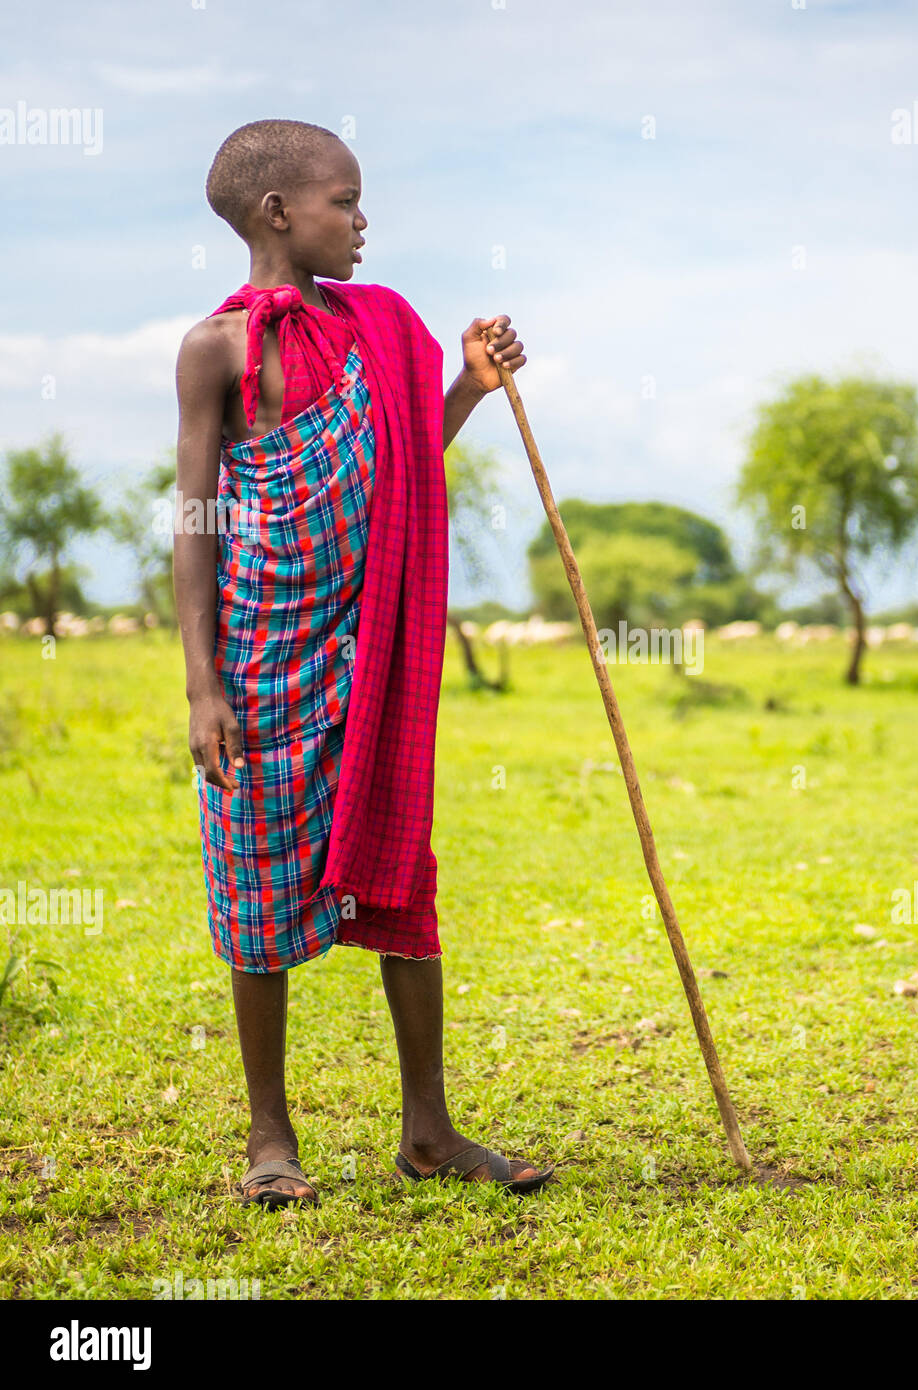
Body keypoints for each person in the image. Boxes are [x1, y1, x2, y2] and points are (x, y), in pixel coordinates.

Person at [173, 118, 553, 1206]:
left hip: (370, 650)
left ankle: (428, 1129)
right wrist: (202, 680)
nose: (362, 220)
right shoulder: (217, 349)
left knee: (404, 875)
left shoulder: (379, 327)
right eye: (344, 200)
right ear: (277, 213)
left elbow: (397, 467)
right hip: (260, 657)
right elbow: (194, 515)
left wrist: (471, 387)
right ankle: (268, 1139)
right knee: (255, 887)